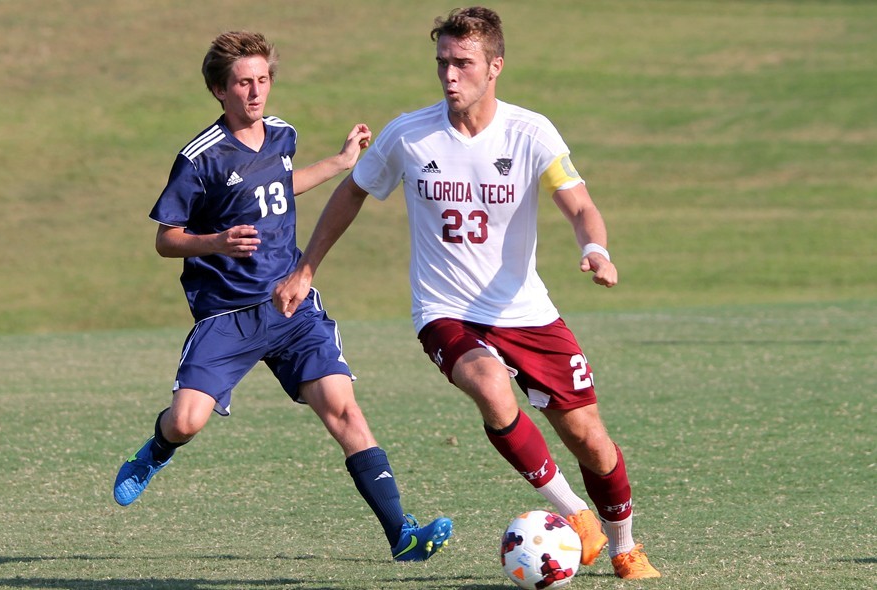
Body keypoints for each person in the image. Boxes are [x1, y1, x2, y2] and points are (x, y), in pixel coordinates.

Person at [273, 7, 660, 579]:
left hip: (525, 310)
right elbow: (351, 194)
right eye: (442, 63)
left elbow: (578, 204)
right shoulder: (409, 134)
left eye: (463, 63)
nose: (450, 75)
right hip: (445, 311)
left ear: (495, 66)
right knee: (489, 386)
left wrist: (595, 248)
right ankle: (576, 515)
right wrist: (306, 268)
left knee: (591, 441)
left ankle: (626, 546)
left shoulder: (531, 132)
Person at [112, 30, 452, 563]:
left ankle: (401, 535)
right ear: (219, 91)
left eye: (263, 80)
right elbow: (165, 239)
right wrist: (215, 241)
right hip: (226, 315)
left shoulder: (282, 135)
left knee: (344, 410)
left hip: (290, 303)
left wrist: (341, 162)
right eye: (243, 83)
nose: (255, 92)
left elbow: (279, 186)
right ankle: (155, 452)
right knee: (184, 422)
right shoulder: (198, 158)